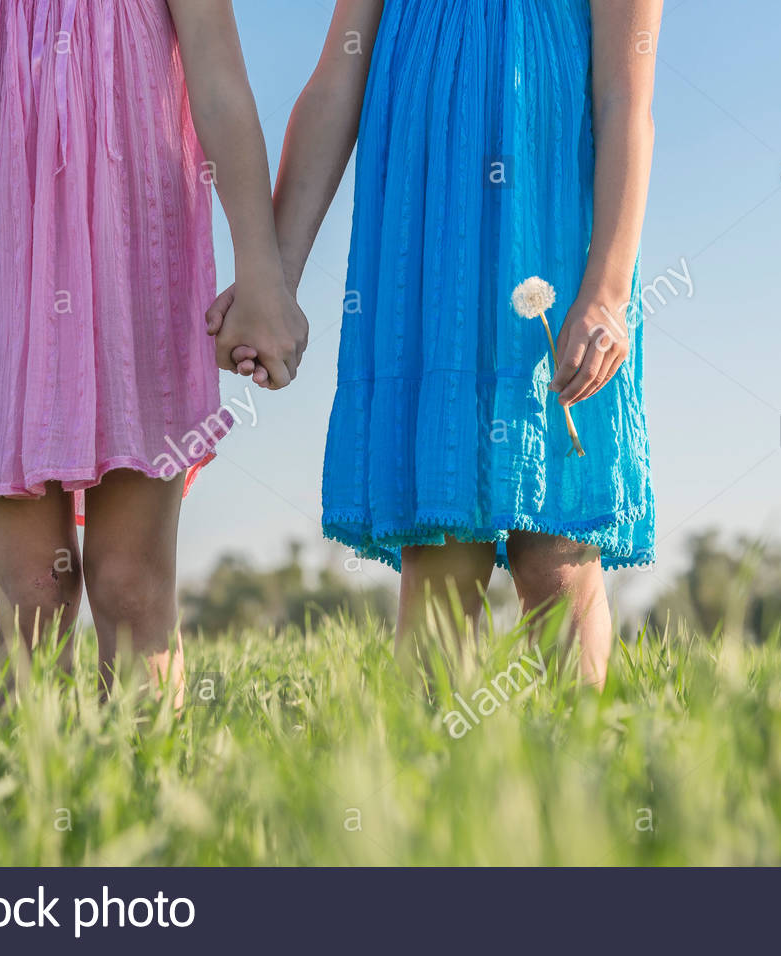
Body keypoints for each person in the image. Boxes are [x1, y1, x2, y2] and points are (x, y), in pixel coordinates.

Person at [0, 0, 307, 695]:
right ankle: (31, 766)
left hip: (132, 269)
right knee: (31, 592)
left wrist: (263, 273)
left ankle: (148, 762)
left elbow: (218, 82)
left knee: (131, 584)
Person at [209, 0, 661, 687]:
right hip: (430, 241)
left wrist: (607, 291)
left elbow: (625, 97)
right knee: (441, 546)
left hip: (551, 238)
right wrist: (274, 280)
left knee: (556, 551)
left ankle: (594, 749)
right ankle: (434, 754)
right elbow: (336, 80)